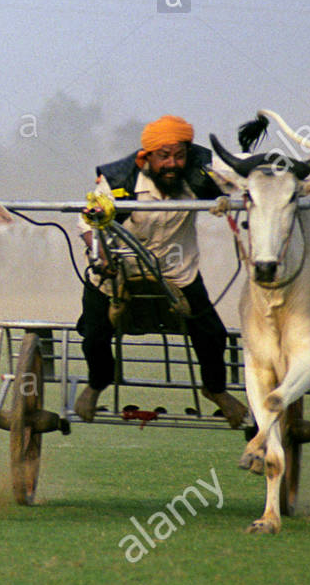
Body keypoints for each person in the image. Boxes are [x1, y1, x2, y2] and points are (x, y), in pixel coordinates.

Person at [73, 114, 249, 427]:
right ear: (147, 156)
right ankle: (96, 384)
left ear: (188, 154)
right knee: (94, 333)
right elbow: (88, 221)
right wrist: (98, 254)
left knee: (212, 334)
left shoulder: (202, 171)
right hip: (117, 270)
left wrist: (231, 197)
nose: (172, 164)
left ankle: (215, 390)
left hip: (177, 273)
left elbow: (243, 170)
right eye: (164, 156)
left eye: (179, 156)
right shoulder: (116, 180)